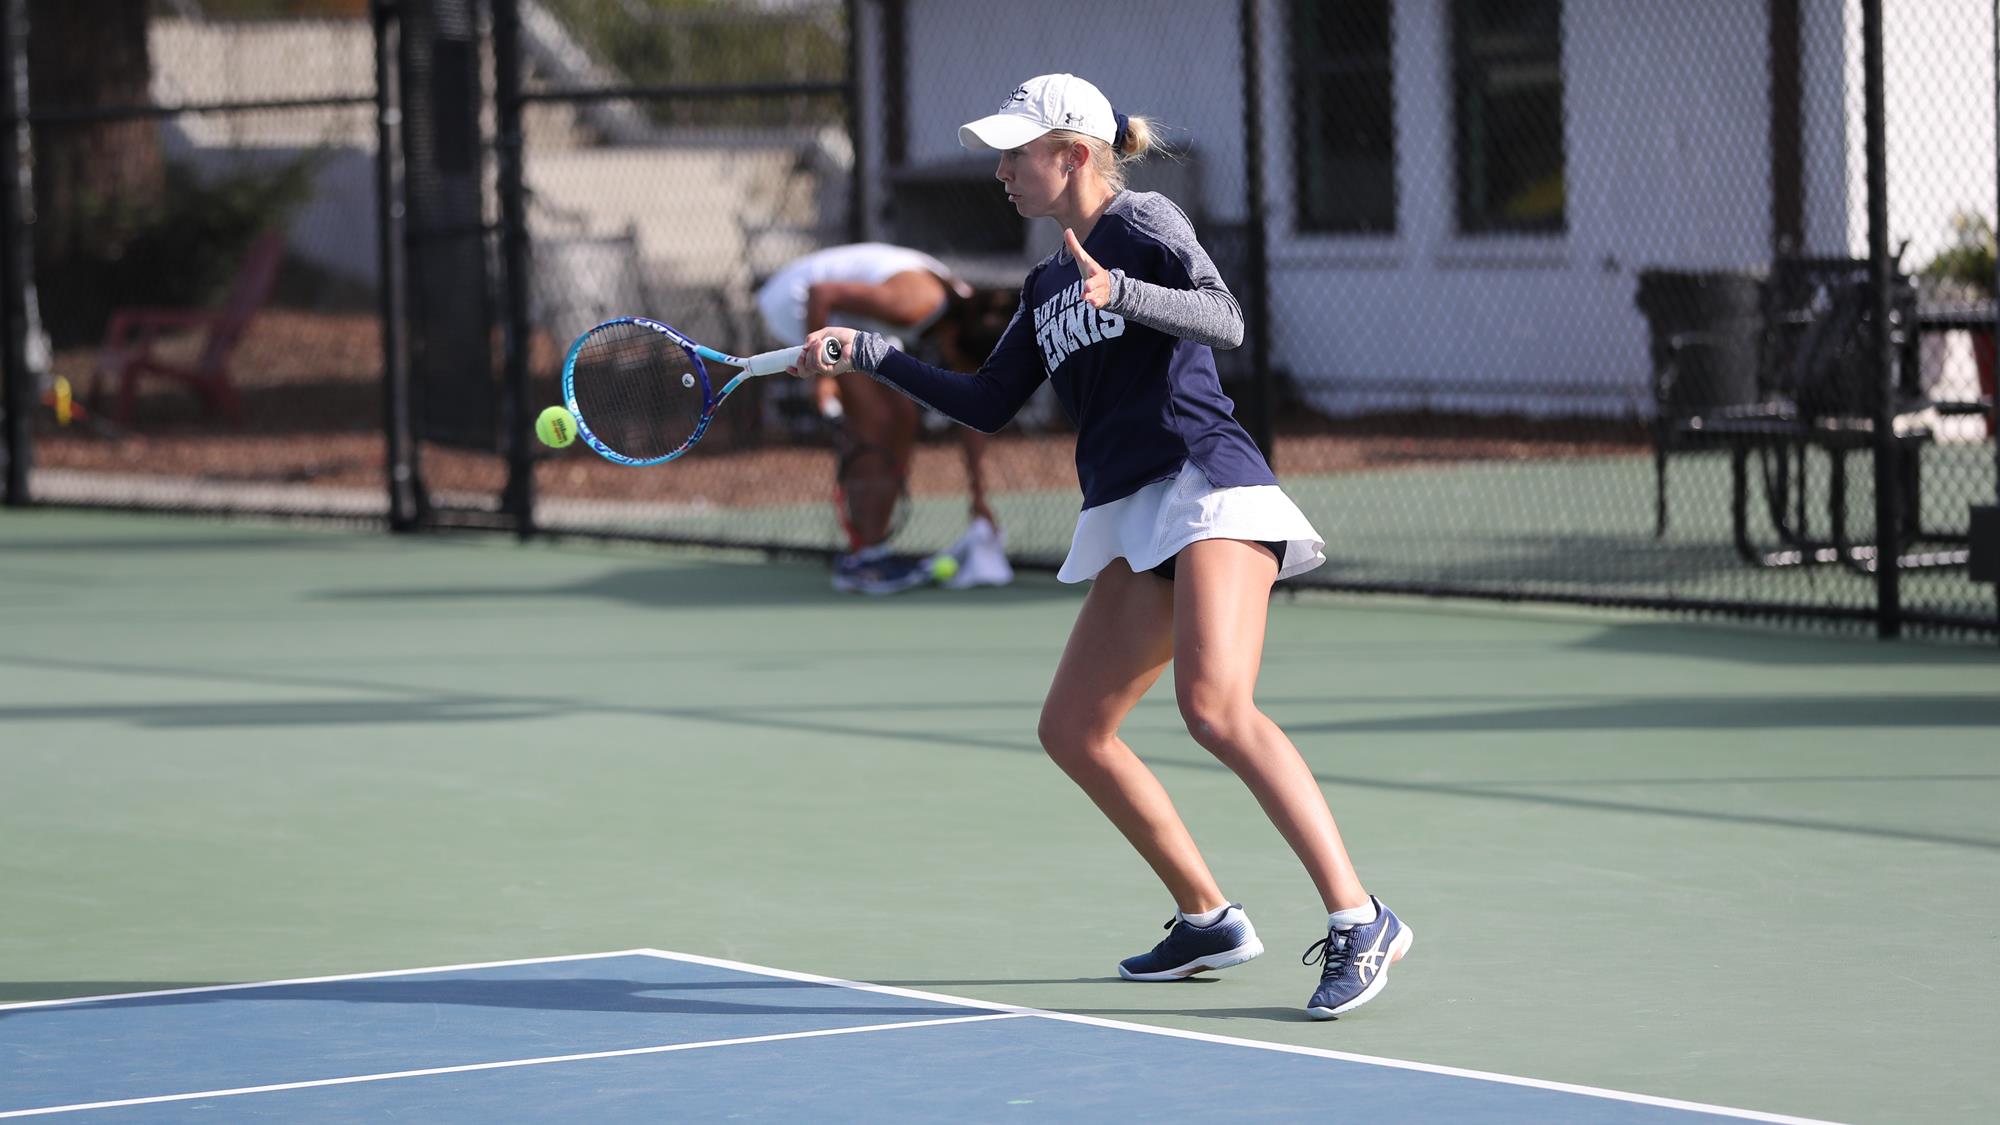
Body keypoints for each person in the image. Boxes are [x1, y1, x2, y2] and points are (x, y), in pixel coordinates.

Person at [792, 73, 1410, 1018]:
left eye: (1015, 152)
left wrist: (1121, 290)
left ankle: (1359, 915)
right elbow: (988, 403)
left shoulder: (1145, 221)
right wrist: (872, 353)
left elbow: (1226, 318)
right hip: (1131, 509)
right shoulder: (1045, 285)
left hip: (1210, 487)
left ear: (1073, 154)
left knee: (1213, 706)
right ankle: (1206, 914)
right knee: (1073, 729)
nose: (1000, 170)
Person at [755, 244, 1017, 594]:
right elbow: (822, 293)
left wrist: (978, 498)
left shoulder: (970, 316)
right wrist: (823, 380)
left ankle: (873, 549)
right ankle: (863, 558)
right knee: (877, 420)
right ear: (953, 339)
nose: (958, 367)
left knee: (904, 418)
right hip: (798, 302)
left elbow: (972, 417)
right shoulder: (917, 305)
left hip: (854, 320)